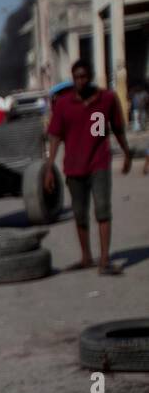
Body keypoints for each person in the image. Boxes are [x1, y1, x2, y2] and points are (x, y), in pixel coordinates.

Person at [44, 58, 134, 275]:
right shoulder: (64, 104)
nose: (80, 81)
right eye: (76, 78)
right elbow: (55, 137)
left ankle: (104, 261)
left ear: (90, 77)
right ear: (72, 79)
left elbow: (117, 128)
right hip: (74, 166)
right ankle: (86, 257)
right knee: (79, 212)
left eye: (84, 77)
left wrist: (127, 153)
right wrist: (48, 168)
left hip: (99, 162)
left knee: (102, 209)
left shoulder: (106, 99)